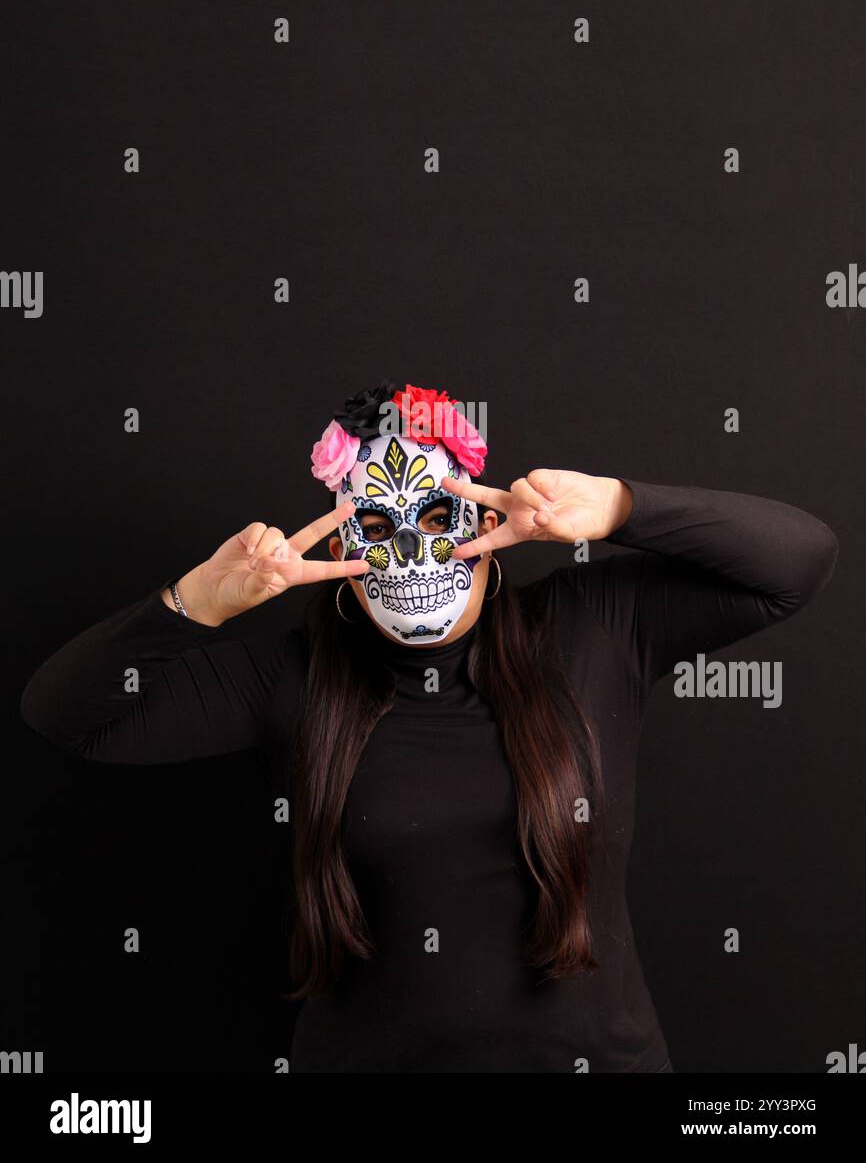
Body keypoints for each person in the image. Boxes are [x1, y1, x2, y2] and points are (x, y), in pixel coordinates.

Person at [20, 379, 839, 1073]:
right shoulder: (296, 675)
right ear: (343, 534)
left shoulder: (591, 628)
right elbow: (70, 717)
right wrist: (196, 602)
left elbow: (797, 563)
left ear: (484, 523)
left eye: (439, 518)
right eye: (376, 527)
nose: (413, 555)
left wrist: (622, 507)